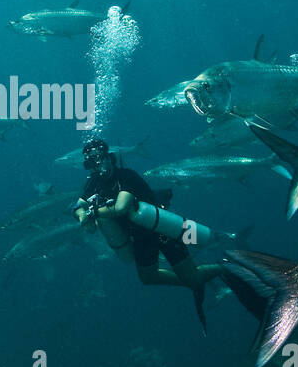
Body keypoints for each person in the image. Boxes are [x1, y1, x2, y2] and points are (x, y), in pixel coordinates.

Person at [73, 137, 223, 333]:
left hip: (161, 230)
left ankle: (225, 268)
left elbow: (121, 207)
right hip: (140, 236)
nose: (97, 166)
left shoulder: (126, 176)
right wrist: (82, 215)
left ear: (110, 158)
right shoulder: (93, 183)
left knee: (193, 278)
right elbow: (78, 205)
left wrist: (93, 213)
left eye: (99, 159)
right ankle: (191, 280)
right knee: (148, 277)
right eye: (90, 163)